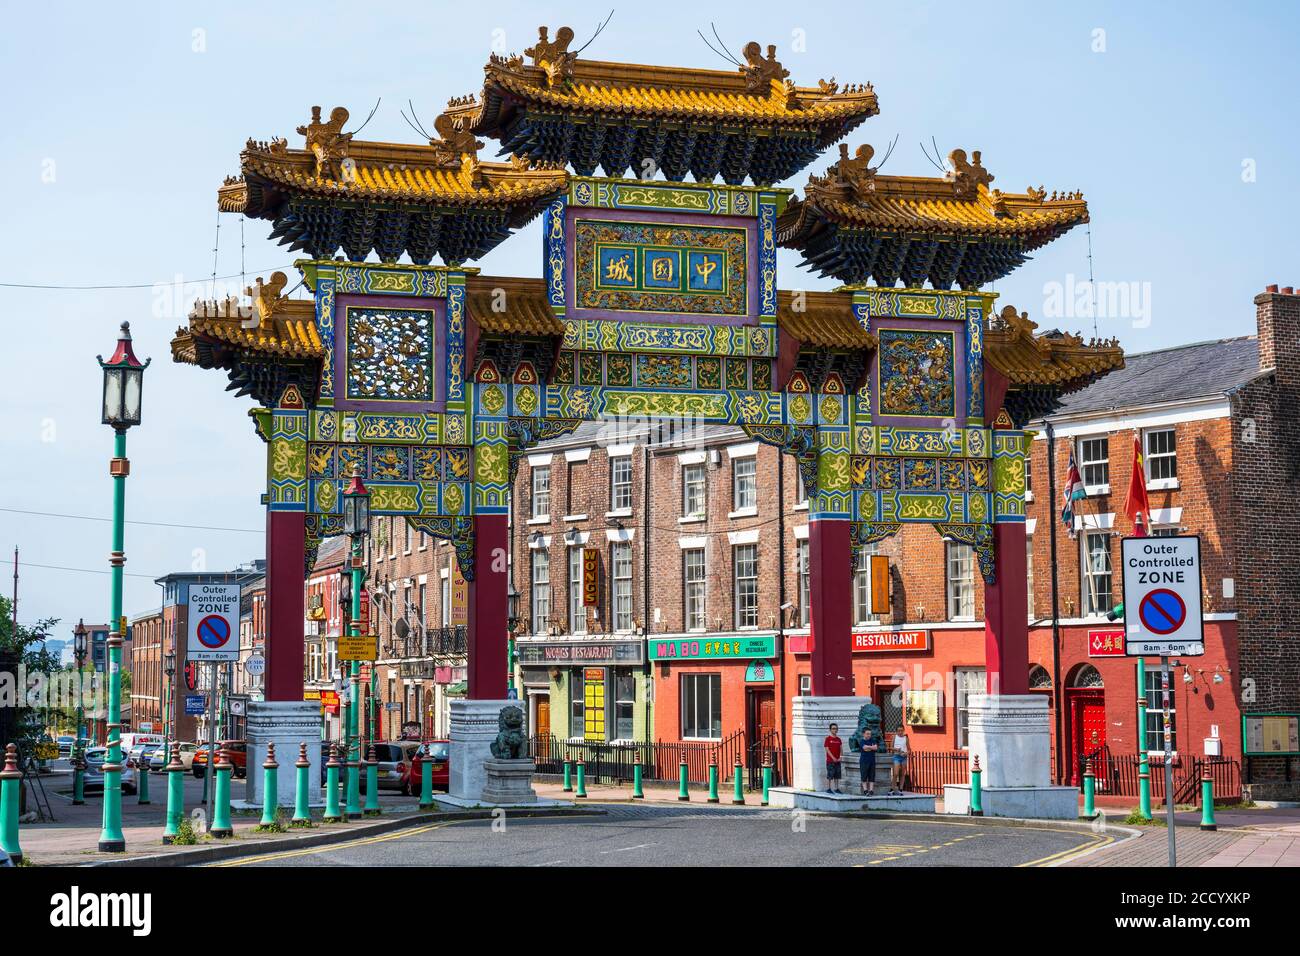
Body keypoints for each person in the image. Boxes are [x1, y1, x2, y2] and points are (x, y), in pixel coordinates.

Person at [857, 725, 879, 796]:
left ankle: (871, 790)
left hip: (872, 761)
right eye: (867, 733)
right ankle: (865, 790)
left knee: (871, 776)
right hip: (864, 761)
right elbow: (864, 748)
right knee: (864, 776)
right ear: (864, 734)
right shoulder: (862, 741)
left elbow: (875, 748)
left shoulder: (872, 740)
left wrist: (869, 748)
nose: (869, 735)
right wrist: (871, 747)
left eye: (870, 734)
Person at [824, 723, 844, 794]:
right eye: (833, 728)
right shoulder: (828, 739)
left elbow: (841, 749)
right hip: (830, 761)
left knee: (837, 775)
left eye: (836, 728)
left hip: (838, 760)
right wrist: (833, 758)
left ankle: (836, 788)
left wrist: (840, 757)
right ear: (830, 730)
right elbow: (827, 749)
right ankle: (828, 788)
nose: (835, 730)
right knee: (830, 775)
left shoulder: (839, 739)